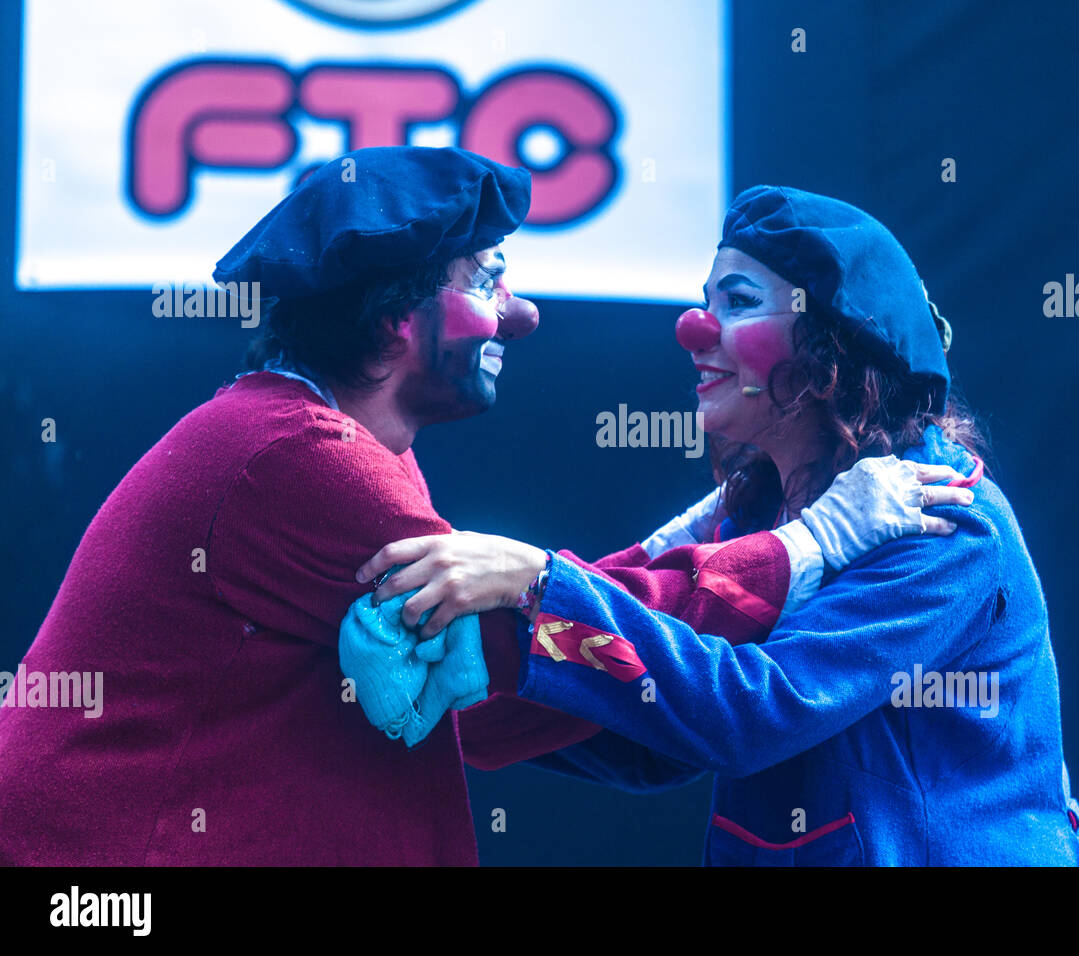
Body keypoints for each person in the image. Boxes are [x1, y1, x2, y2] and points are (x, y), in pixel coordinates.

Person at [0, 148, 961, 865]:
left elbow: (525, 661)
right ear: (393, 319)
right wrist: (811, 541)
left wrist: (665, 551)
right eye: (492, 279)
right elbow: (521, 659)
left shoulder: (948, 519)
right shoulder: (300, 457)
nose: (521, 315)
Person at [354, 185, 1079, 866]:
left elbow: (756, 710)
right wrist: (477, 690)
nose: (694, 330)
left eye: (737, 301)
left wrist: (539, 588)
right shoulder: (759, 507)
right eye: (706, 299)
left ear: (830, 345)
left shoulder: (943, 516)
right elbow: (660, 744)